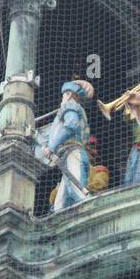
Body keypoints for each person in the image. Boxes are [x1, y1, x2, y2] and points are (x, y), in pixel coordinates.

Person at [37, 80, 93, 211]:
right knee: (60, 203)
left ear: (68, 94)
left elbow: (71, 125)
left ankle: (89, 209)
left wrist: (51, 147)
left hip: (72, 153)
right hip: (69, 155)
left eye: (63, 95)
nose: (62, 98)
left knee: (77, 188)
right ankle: (58, 214)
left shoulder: (70, 106)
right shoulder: (78, 109)